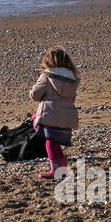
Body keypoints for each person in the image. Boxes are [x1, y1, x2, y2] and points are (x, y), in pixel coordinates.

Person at [30, 47, 80, 180]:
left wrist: (38, 83)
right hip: (67, 115)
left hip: (50, 114)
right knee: (55, 141)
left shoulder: (46, 75)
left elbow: (35, 95)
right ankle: (62, 167)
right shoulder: (72, 78)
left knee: (50, 142)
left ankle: (55, 169)